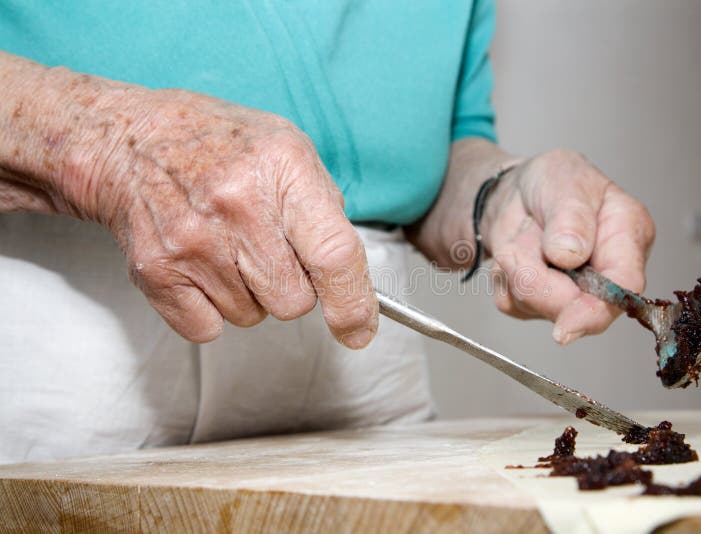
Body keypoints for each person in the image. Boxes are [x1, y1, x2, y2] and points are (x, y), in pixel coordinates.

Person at [0, 1, 654, 464]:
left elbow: (434, 151)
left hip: (366, 374)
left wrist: (500, 195)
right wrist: (106, 145)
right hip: (62, 352)